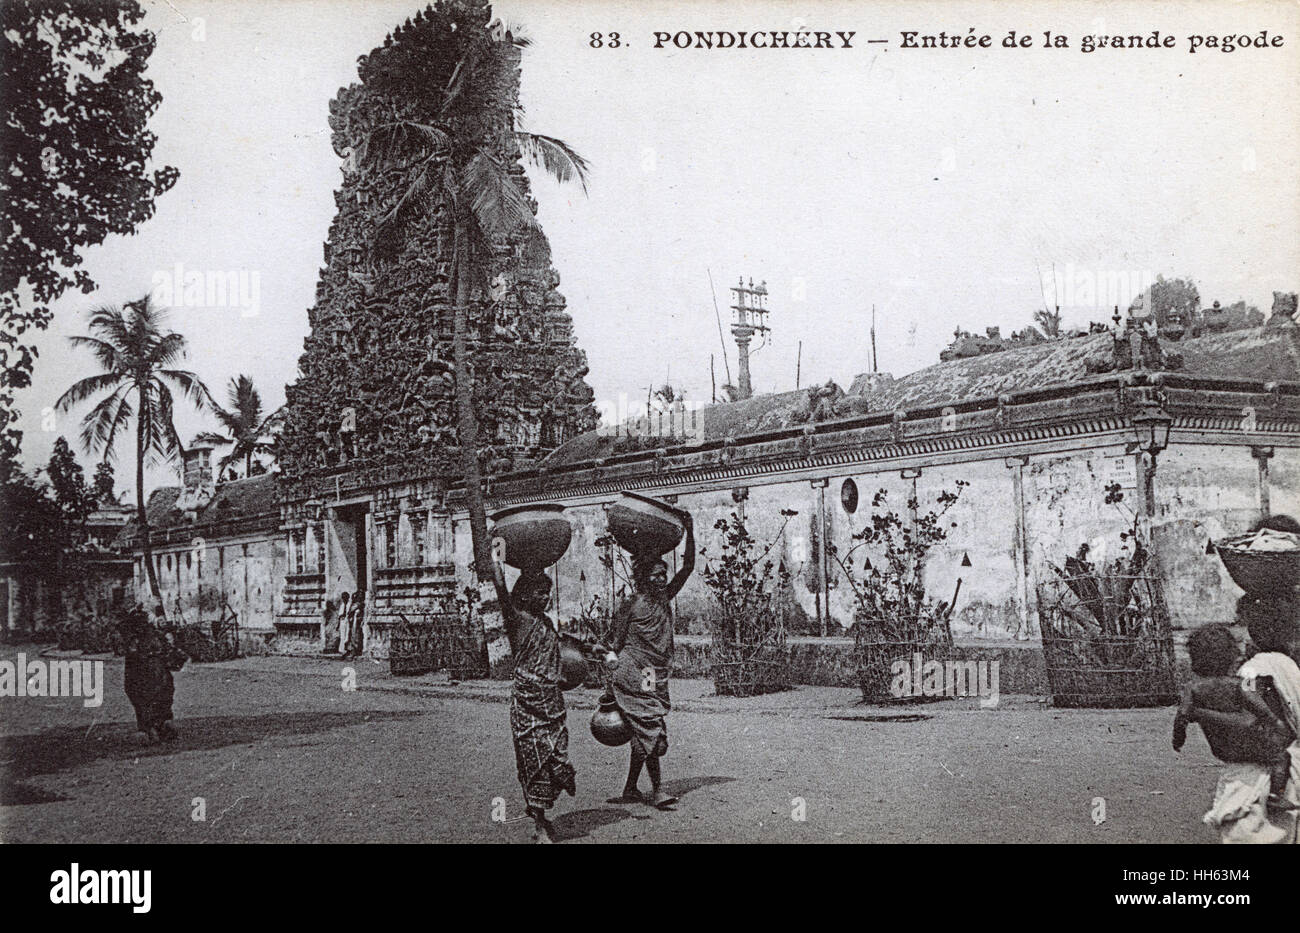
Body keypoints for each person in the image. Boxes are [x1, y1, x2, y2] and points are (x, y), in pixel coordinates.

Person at [605, 510, 694, 810]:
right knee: (652, 730)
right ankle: (657, 791)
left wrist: (690, 529)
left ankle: (631, 787)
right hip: (634, 671)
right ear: (642, 577)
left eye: (663, 575)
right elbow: (614, 644)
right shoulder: (631, 604)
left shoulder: (665, 598)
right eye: (655, 574)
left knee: (644, 731)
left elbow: (689, 566)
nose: (661, 579)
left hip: (655, 673)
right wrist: (610, 672)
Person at [491, 543, 576, 843]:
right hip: (528, 706)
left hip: (552, 703)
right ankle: (540, 824)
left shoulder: (547, 623)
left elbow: (561, 651)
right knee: (534, 764)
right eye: (539, 592)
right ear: (524, 594)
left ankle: (538, 810)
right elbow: (500, 588)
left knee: (559, 760)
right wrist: (496, 555)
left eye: (547, 592)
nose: (545, 597)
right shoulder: (518, 621)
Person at [1172, 624, 1292, 800]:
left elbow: (1182, 715)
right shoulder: (1241, 683)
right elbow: (1254, 710)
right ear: (1231, 655)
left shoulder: (1193, 688)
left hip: (1224, 751)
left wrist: (1179, 737)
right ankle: (1276, 795)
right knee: (1281, 757)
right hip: (1252, 748)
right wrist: (1274, 721)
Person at [118, 607, 188, 744]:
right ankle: (161, 726)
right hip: (155, 673)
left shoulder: (135, 638)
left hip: (146, 673)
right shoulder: (152, 635)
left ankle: (152, 728)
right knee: (160, 699)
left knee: (147, 700)